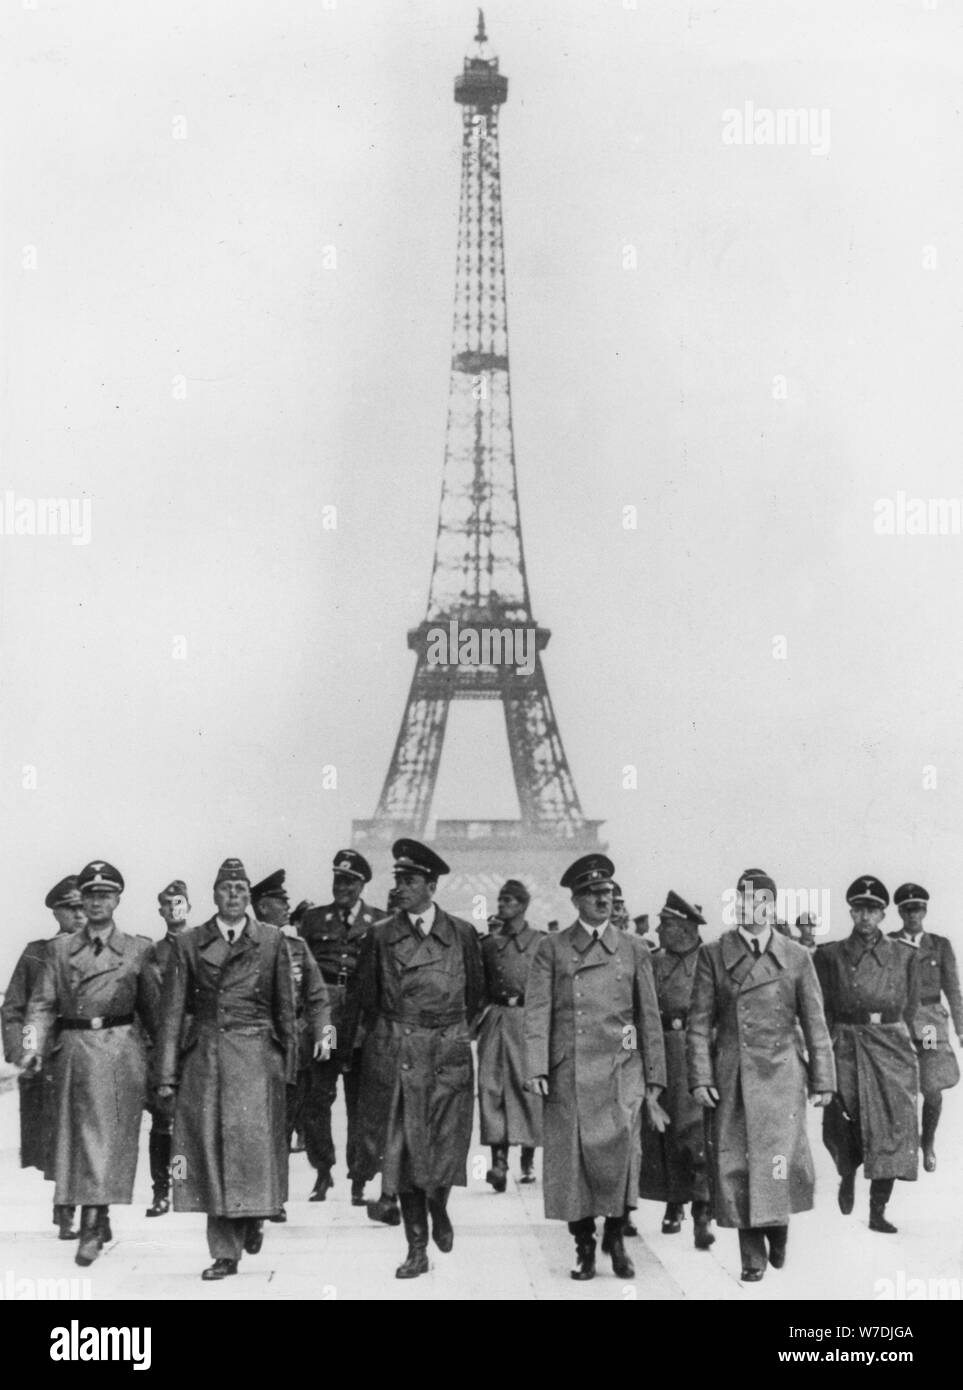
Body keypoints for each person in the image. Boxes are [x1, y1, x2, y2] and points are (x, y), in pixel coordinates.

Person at [155, 857, 326, 1280]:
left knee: (252, 1152)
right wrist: (165, 1074)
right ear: (214, 895)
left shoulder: (272, 942)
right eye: (226, 889)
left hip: (257, 1060)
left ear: (249, 898)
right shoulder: (190, 943)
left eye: (242, 890)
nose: (234, 896)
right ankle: (224, 1251)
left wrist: (290, 1065)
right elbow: (173, 1013)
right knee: (211, 1153)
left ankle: (254, 1216)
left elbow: (287, 1008)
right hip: (208, 1060)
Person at [344, 839, 485, 1279]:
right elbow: (364, 997)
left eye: (409, 881)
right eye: (398, 880)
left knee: (445, 1146)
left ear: (431, 885)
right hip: (401, 1050)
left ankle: (439, 1206)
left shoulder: (462, 933)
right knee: (405, 1156)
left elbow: (478, 995)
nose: (400, 888)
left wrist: (454, 1032)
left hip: (447, 1050)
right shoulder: (381, 935)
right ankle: (417, 1247)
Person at [524, 853, 667, 1282]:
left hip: (621, 1069)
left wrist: (655, 1076)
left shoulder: (634, 948)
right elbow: (537, 1012)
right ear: (576, 899)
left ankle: (618, 1236)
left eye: (608, 892)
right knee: (572, 1163)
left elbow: (648, 1017)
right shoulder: (552, 949)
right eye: (593, 893)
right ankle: (584, 1244)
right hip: (570, 1071)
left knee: (622, 1154)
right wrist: (537, 1066)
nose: (603, 899)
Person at [687, 868, 835, 1282]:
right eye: (745, 900)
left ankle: (778, 1226)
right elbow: (699, 1023)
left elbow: (815, 1021)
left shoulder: (797, 957)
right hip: (732, 1073)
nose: (753, 908)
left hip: (783, 1073)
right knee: (735, 1162)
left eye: (762, 901)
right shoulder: (713, 955)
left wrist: (823, 1080)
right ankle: (751, 1254)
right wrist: (700, 1077)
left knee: (777, 1161)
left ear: (772, 906)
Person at [22, 861, 159, 1266]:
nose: (97, 902)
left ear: (117, 900)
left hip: (120, 1054)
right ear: (81, 898)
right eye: (91, 894)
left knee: (109, 1141)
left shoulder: (139, 949)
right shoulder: (59, 950)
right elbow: (40, 1004)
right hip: (73, 1052)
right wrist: (31, 1046)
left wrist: (164, 1064)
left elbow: (154, 1010)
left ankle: (93, 1222)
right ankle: (93, 1217)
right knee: (77, 1143)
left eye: (106, 894)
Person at [815, 876, 920, 1234]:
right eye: (859, 909)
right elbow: (821, 1008)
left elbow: (915, 1008)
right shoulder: (830, 955)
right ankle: (848, 1171)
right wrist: (823, 1052)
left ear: (883, 913)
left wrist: (917, 1048)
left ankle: (878, 1207)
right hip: (846, 1041)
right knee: (845, 1116)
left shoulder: (905, 955)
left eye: (873, 910)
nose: (865, 916)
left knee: (893, 1123)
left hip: (891, 1043)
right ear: (851, 912)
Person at [297, 850, 385, 1207]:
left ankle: (360, 1177)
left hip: (361, 1018)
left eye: (349, 882)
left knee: (361, 1102)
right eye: (338, 880)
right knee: (318, 1096)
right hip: (328, 1019)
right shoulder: (314, 920)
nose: (342, 887)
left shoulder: (380, 921)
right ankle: (322, 1169)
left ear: (362, 884)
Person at [1, 875, 86, 1240]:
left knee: (91, 1134)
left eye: (84, 907)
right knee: (59, 1135)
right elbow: (16, 1008)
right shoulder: (37, 952)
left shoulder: (102, 949)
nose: (80, 915)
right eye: (72, 909)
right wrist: (25, 1051)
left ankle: (89, 1207)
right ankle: (65, 1206)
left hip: (92, 1055)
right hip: (51, 1060)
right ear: (56, 912)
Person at [251, 869, 331, 1221]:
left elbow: (317, 996)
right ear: (261, 906)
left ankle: (280, 1195)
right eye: (279, 900)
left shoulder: (298, 948)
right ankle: (265, 1194)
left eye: (286, 900)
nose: (286, 905)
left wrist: (324, 1037)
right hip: (258, 1048)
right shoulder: (249, 947)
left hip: (294, 1051)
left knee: (286, 1122)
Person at [638, 891, 714, 1250]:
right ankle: (673, 1203)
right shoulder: (653, 962)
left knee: (696, 1133)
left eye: (664, 924)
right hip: (660, 1050)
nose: (658, 928)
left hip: (697, 1052)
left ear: (684, 927)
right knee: (663, 1133)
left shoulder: (710, 960)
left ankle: (702, 1209)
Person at [888, 882, 963, 1172]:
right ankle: (904, 1145)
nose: (912, 914)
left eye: (917, 908)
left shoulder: (939, 945)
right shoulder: (890, 942)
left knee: (931, 1086)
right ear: (899, 912)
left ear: (925, 910)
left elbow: (953, 990)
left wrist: (960, 1028)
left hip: (930, 1024)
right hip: (899, 1022)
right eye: (907, 909)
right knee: (900, 1087)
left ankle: (927, 1142)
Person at [477, 879, 543, 1191]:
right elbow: (479, 988)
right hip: (497, 1018)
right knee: (492, 1087)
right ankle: (498, 1162)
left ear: (522, 905)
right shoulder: (488, 945)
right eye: (500, 900)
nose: (501, 905)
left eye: (507, 901)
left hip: (529, 1021)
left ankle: (527, 1156)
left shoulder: (541, 943)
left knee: (527, 1088)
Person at [143, 879, 192, 1218]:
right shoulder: (153, 953)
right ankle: (161, 1191)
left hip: (193, 1045)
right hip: (162, 1046)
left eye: (179, 902)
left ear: (188, 906)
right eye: (167, 904)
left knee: (187, 1123)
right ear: (160, 910)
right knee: (162, 1122)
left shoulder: (201, 946)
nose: (173, 909)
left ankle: (181, 1185)